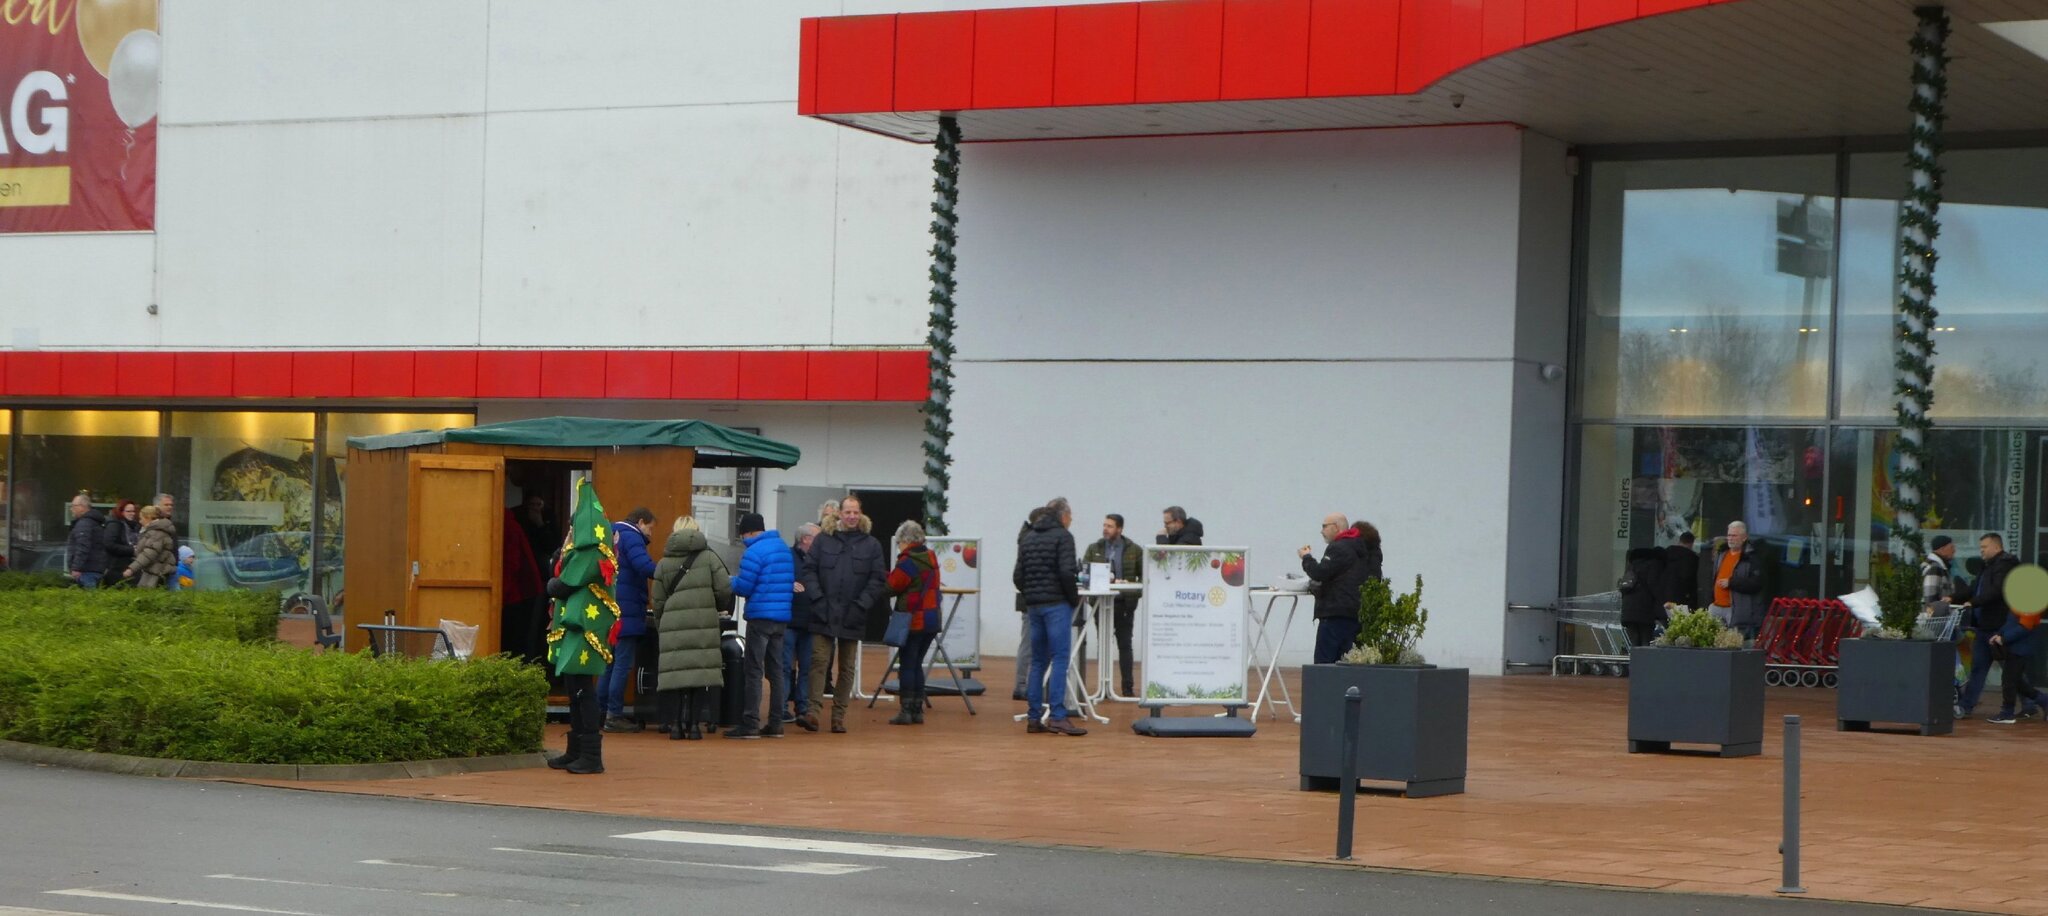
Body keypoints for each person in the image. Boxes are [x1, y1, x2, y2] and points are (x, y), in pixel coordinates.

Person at [543, 479, 618, 775]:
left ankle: (591, 756)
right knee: (574, 688)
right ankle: (575, 750)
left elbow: (565, 583)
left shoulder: (590, 551)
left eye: (574, 527)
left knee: (583, 691)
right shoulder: (578, 548)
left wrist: (551, 584)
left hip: (586, 631)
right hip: (575, 628)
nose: (571, 532)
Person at [801, 496, 886, 734]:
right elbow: (809, 571)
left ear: (861, 515)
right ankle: (813, 713)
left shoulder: (871, 545)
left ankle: (838, 716)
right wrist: (817, 599)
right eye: (847, 512)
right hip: (823, 612)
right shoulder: (823, 541)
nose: (851, 517)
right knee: (818, 662)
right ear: (839, 514)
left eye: (855, 513)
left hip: (853, 614)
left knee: (847, 667)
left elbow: (877, 579)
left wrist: (861, 606)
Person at [651, 516, 733, 740]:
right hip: (703, 622)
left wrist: (661, 625)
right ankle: (694, 725)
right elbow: (725, 588)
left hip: (672, 624)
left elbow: (657, 601)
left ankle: (676, 725)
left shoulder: (663, 562)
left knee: (677, 677)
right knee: (698, 676)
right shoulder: (709, 557)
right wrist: (714, 605)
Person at [1015, 497, 1086, 736]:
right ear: (1062, 516)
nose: (1072, 519)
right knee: (1060, 659)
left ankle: (1034, 717)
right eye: (1071, 515)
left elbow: (1017, 575)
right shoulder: (1063, 537)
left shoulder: (1028, 536)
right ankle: (1057, 715)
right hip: (1057, 605)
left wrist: (1031, 594)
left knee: (1038, 661)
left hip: (1034, 606)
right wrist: (1073, 598)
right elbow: (1067, 572)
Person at [728, 512, 794, 739]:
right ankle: (776, 723)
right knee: (776, 672)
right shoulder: (784, 549)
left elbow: (744, 588)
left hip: (760, 618)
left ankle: (750, 723)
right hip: (781, 619)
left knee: (753, 671)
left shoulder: (753, 552)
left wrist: (729, 581)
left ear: (747, 532)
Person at [601, 508, 659, 733]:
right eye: (651, 528)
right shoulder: (632, 536)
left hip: (610, 609)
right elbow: (644, 566)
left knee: (609, 665)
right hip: (628, 610)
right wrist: (670, 571)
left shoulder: (610, 533)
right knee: (622, 665)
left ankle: (600, 711)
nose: (651, 535)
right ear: (641, 521)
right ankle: (614, 715)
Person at [1957, 532, 2024, 719]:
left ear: (1996, 546)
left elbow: (1997, 591)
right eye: (1981, 548)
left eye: (1984, 547)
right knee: (1980, 667)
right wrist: (1955, 598)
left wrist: (1975, 602)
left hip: (1999, 625)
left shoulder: (2004, 565)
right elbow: (1975, 588)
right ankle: (1966, 706)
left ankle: (2033, 700)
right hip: (1985, 625)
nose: (1982, 551)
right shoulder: (1987, 566)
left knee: (2011, 671)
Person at [885, 521, 944, 725]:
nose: (899, 546)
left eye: (900, 542)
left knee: (907, 665)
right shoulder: (931, 557)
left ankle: (906, 711)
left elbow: (892, 586)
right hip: (931, 619)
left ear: (906, 541)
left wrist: (882, 576)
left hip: (913, 620)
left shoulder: (908, 561)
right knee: (917, 664)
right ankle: (917, 710)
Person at [1298, 514, 1379, 664]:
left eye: (1324, 526)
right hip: (1357, 615)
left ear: (1336, 527)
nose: (1321, 531)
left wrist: (1306, 557)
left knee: (1324, 665)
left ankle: (1323, 689)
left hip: (1335, 614)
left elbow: (1320, 572)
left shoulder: (1339, 547)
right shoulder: (1364, 550)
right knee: (1348, 664)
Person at [1083, 513, 1145, 695]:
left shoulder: (1134, 550)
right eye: (1104, 525)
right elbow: (1085, 572)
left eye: (1110, 526)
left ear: (1119, 529)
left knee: (1124, 644)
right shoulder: (1094, 548)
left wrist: (1133, 591)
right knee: (1103, 643)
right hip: (1101, 603)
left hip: (1124, 604)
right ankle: (1103, 685)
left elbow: (1144, 577)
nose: (1105, 529)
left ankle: (1127, 687)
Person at [1985, 569, 2048, 725]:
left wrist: (2003, 638)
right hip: (2015, 648)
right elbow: (2011, 623)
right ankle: (2044, 701)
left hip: (2021, 649)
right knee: (2017, 682)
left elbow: (2024, 628)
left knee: (2009, 681)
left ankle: (2007, 712)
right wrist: (1999, 634)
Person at [1701, 521, 1770, 639]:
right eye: (1729, 535)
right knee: (1711, 641)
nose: (1730, 538)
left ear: (1744, 538)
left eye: (1734, 535)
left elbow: (1756, 584)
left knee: (1732, 644)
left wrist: (1731, 583)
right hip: (1716, 606)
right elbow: (1713, 577)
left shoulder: (1751, 558)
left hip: (1735, 610)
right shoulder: (1722, 554)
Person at [784, 521, 823, 728]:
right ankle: (781, 707)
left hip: (810, 622)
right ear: (806, 539)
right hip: (790, 622)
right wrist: (788, 585)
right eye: (817, 538)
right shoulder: (788, 558)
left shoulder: (818, 560)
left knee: (807, 667)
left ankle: (803, 707)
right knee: (784, 667)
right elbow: (779, 579)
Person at [1012, 505, 1052, 701]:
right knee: (1029, 644)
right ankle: (1021, 684)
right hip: (1033, 599)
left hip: (1029, 597)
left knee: (1029, 643)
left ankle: (1024, 684)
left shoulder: (1026, 538)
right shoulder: (1032, 540)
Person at [121, 505, 179, 588]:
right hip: (157, 572)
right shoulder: (154, 532)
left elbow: (148, 554)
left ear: (148, 518)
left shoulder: (156, 534)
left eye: (141, 518)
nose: (140, 521)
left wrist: (131, 569)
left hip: (158, 574)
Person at [1620, 546, 1667, 647]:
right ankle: (1642, 662)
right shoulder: (1654, 565)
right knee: (1646, 642)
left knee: (1634, 642)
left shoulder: (1631, 565)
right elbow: (1655, 587)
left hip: (1628, 611)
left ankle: (1634, 661)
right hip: (1644, 611)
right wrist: (1663, 612)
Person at [64, 495, 111, 588]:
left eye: (74, 506)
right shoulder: (95, 522)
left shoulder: (84, 524)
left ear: (82, 507)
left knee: (88, 599)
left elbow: (82, 547)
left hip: (86, 571)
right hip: (95, 569)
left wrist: (76, 568)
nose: (71, 509)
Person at [1659, 532, 1699, 610]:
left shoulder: (1666, 554)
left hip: (1663, 596)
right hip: (1681, 597)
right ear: (1691, 543)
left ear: (1679, 541)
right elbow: (1689, 579)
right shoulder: (1691, 559)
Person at [102, 500, 141, 572]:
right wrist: (131, 550)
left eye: (133, 511)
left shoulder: (136, 525)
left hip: (130, 563)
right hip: (115, 565)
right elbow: (109, 544)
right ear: (121, 512)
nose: (132, 514)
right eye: (129, 511)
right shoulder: (114, 524)